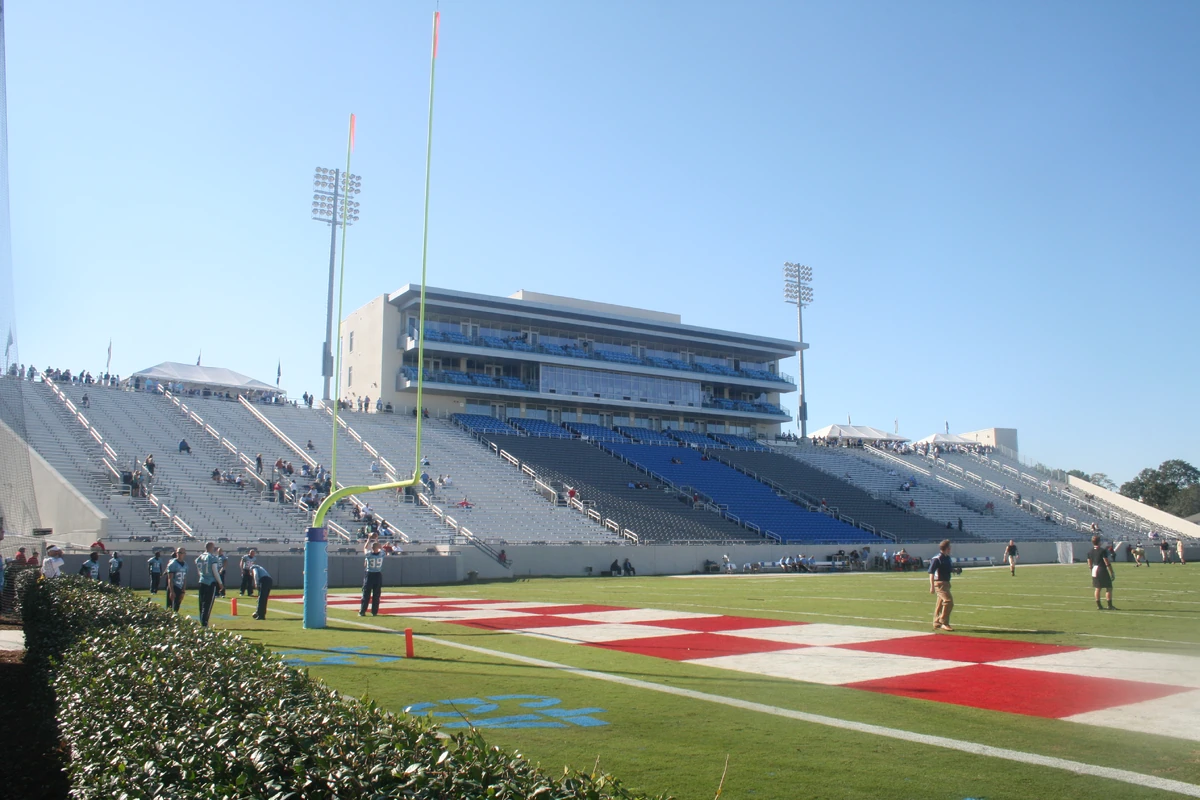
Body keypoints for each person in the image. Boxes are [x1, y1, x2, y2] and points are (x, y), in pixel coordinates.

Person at [928, 539, 961, 631]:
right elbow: (931, 572)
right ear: (947, 548)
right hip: (939, 583)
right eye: (949, 547)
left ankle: (936, 622)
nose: (950, 548)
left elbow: (948, 569)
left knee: (939, 604)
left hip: (946, 583)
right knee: (948, 601)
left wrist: (955, 570)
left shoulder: (947, 558)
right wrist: (932, 586)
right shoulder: (937, 558)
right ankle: (944, 622)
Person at [195, 541, 223, 627]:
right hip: (210, 582)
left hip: (202, 581)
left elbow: (198, 567)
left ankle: (202, 621)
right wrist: (220, 583)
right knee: (208, 604)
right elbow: (215, 571)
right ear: (211, 548)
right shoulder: (212, 557)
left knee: (201, 603)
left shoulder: (200, 557)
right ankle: (205, 623)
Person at [1087, 534, 1116, 610]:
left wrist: (1092, 572)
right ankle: (1109, 605)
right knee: (1109, 587)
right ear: (1099, 542)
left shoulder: (1090, 551)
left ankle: (1099, 605)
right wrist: (1112, 572)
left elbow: (1089, 564)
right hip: (1101, 569)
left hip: (1094, 569)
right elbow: (1107, 562)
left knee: (1097, 588)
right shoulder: (1102, 550)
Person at [360, 538, 385, 616]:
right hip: (378, 574)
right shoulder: (382, 554)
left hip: (370, 574)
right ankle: (374, 612)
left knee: (366, 594)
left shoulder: (369, 554)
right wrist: (377, 539)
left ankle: (362, 611)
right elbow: (381, 548)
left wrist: (368, 539)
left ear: (372, 548)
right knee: (376, 595)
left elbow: (365, 548)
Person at [166, 547, 188, 613]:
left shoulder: (186, 565)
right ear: (176, 553)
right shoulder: (173, 563)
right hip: (174, 586)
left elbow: (184, 578)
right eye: (179, 552)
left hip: (180, 587)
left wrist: (183, 591)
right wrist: (171, 591)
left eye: (182, 553)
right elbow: (170, 578)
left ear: (184, 554)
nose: (180, 554)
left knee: (177, 608)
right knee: (170, 609)